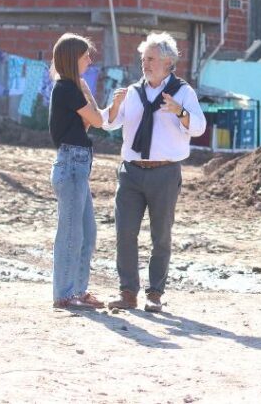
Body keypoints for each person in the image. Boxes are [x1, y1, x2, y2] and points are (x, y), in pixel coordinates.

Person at [103, 32, 206, 312]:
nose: (144, 64)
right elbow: (109, 123)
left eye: (150, 59)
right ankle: (127, 293)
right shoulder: (133, 92)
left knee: (161, 235)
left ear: (168, 62)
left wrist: (179, 111)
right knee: (125, 232)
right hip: (131, 173)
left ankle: (155, 294)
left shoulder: (183, 92)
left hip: (164, 173)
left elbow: (199, 127)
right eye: (143, 59)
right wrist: (112, 107)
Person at [48, 33, 106, 310]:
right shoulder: (67, 89)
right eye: (85, 56)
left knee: (87, 232)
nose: (89, 60)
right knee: (71, 233)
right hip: (71, 164)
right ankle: (64, 293)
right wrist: (88, 93)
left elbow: (88, 124)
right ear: (73, 58)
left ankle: (79, 290)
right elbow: (97, 119)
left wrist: (87, 90)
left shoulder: (72, 88)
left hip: (77, 165)